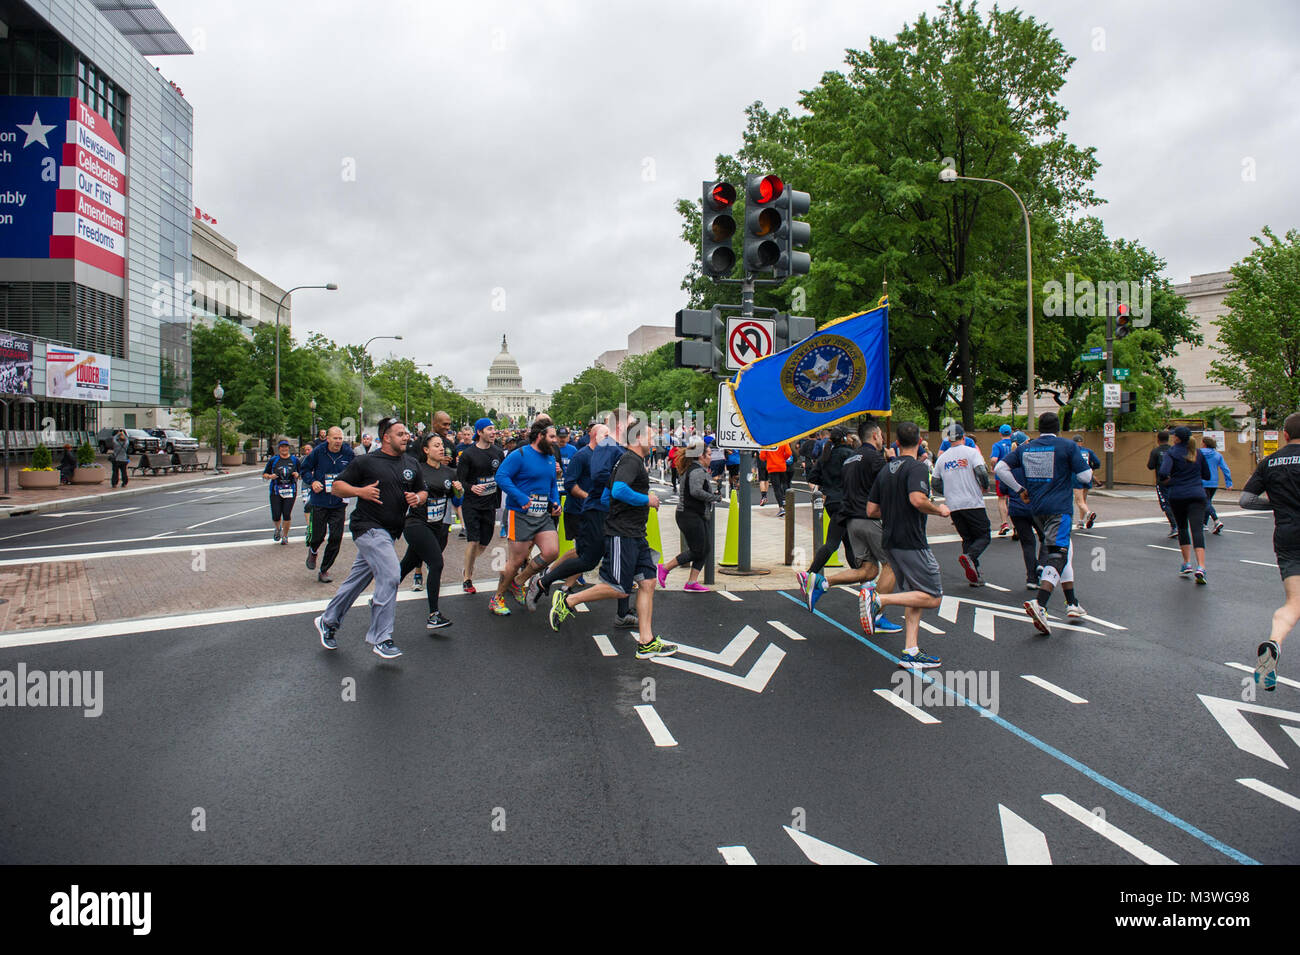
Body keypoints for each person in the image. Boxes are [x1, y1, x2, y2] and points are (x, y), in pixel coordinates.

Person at [549, 419, 678, 659]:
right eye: (650, 436)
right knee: (618, 588)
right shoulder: (630, 461)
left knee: (648, 583)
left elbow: (608, 495)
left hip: (635, 533)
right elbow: (618, 491)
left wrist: (624, 510)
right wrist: (646, 500)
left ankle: (646, 641)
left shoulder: (627, 460)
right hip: (623, 534)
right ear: (638, 439)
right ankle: (568, 601)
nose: (654, 441)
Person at [314, 417, 426, 659]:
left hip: (390, 531)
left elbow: (422, 490)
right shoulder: (366, 462)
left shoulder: (411, 463)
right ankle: (381, 637)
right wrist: (360, 492)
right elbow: (337, 486)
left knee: (357, 580)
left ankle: (328, 620)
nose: (406, 437)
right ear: (386, 437)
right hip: (368, 528)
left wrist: (418, 498)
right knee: (390, 574)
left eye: (406, 433)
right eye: (400, 434)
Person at [993, 411, 1093, 635]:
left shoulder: (1026, 447)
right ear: (1058, 428)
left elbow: (1000, 469)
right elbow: (1086, 477)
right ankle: (1041, 603)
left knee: (1066, 549)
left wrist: (1019, 490)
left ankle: (1072, 602)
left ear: (1039, 428)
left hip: (1036, 507)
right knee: (1058, 554)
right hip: (1060, 508)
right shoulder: (1068, 447)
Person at [861, 421, 949, 668]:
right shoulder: (917, 468)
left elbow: (871, 510)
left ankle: (911, 650)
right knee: (932, 597)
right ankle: (878, 600)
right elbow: (917, 499)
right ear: (920, 442)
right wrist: (938, 510)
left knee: (915, 595)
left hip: (889, 539)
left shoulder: (886, 470)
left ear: (896, 443)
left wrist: (894, 511)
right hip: (911, 540)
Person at [1241, 412, 1300, 691]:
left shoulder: (1270, 462)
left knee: (1293, 603)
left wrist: (1276, 504)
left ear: (1285, 435)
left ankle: (1274, 643)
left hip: (1287, 535)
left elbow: (1246, 499)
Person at [530, 424, 611, 603]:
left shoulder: (606, 456)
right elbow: (570, 484)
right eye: (606, 435)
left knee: (586, 553)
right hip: (578, 510)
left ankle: (561, 583)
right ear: (595, 435)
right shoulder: (581, 455)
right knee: (584, 555)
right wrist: (588, 497)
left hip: (598, 512)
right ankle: (549, 576)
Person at [489, 420, 561, 616]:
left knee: (552, 551)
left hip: (542, 515)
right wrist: (520, 497)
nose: (555, 441)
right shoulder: (519, 455)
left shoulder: (549, 457)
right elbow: (501, 476)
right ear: (540, 436)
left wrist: (555, 502)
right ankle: (497, 598)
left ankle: (519, 581)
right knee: (515, 560)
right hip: (519, 515)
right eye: (552, 437)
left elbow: (552, 483)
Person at [397, 432, 460, 630]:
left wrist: (459, 490)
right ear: (426, 450)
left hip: (438, 526)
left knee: (407, 564)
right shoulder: (417, 470)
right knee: (436, 563)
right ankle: (434, 614)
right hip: (416, 524)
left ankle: (380, 597)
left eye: (442, 445)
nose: (441, 448)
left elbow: (455, 498)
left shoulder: (449, 472)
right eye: (436, 446)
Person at [799, 427, 856, 609]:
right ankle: (809, 575)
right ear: (846, 438)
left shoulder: (826, 456)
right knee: (833, 542)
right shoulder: (849, 454)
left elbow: (813, 476)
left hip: (831, 501)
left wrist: (827, 484)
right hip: (845, 502)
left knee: (846, 540)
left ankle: (860, 576)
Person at [657, 437, 721, 591]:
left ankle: (692, 583)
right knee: (698, 549)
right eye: (709, 454)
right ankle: (665, 568)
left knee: (705, 548)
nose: (711, 457)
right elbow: (695, 491)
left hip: (695, 514)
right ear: (701, 456)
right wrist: (714, 498)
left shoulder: (695, 468)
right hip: (689, 515)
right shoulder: (697, 470)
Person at [932, 426, 992, 586]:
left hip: (954, 504)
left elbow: (935, 482)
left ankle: (975, 575)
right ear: (963, 437)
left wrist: (947, 491)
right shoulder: (971, 452)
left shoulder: (943, 458)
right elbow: (981, 471)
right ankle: (970, 557)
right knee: (984, 535)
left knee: (967, 538)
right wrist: (984, 486)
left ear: (948, 440)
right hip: (972, 501)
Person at [456, 417, 506, 593]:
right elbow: (460, 480)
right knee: (473, 540)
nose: (493, 432)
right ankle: (467, 578)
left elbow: (503, 475)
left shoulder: (498, 453)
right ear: (480, 432)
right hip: (472, 504)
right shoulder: (468, 455)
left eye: (494, 429)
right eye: (489, 429)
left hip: (490, 504)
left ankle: (468, 564)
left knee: (484, 543)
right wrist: (471, 487)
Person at [1158, 425, 1212, 583]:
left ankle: (1187, 563)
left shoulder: (1172, 453)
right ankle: (1201, 566)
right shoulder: (1197, 453)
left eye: (1174, 435)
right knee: (1197, 530)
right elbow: (1207, 475)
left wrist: (1172, 481)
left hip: (1178, 495)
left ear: (1177, 438)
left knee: (1182, 528)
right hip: (1197, 494)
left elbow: (1163, 473)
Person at [301, 426, 355, 582]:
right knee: (318, 536)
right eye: (335, 438)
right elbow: (304, 469)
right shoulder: (318, 452)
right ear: (328, 438)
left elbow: (356, 470)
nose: (338, 442)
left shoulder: (347, 453)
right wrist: (313, 482)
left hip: (339, 501)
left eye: (340, 438)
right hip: (320, 500)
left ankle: (324, 569)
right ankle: (313, 550)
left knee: (336, 537)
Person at [262, 439, 300, 545]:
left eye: (286, 447)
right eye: (282, 447)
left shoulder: (294, 460)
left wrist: (298, 475)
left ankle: (285, 536)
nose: (284, 449)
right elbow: (264, 474)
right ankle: (278, 529)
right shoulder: (273, 460)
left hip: (290, 490)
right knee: (276, 514)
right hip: (276, 490)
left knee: (287, 514)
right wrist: (270, 476)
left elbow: (301, 473)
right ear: (279, 449)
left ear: (289, 448)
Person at [1147, 430, 1179, 538]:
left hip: (1162, 481)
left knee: (1165, 504)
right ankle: (1180, 524)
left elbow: (1150, 466)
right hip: (1175, 480)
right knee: (1175, 502)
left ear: (1158, 439)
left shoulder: (1155, 451)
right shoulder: (1174, 450)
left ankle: (1174, 526)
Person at [1200, 434, 1232, 535]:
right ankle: (1204, 524)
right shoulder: (1217, 455)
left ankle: (1216, 520)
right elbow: (1225, 469)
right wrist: (1228, 482)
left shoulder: (1199, 453)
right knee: (1207, 501)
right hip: (1213, 482)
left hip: (1202, 481)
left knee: (1205, 502)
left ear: (1204, 444)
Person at [990, 424, 1015, 537]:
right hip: (1014, 475)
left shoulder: (997, 445)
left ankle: (1004, 523)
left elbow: (994, 459)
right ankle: (1016, 525)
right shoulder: (1015, 444)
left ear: (1000, 433)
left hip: (1001, 475)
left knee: (1002, 499)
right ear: (1011, 433)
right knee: (1014, 498)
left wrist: (993, 467)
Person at [1072, 435, 1102, 529]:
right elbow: (1097, 462)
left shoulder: (1072, 451)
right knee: (1084, 500)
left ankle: (1089, 513)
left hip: (1076, 477)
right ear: (1082, 442)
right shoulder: (1088, 451)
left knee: (1079, 501)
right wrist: (1091, 468)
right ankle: (1081, 521)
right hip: (1087, 476)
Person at [760, 442, 793, 517]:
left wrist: (768, 458)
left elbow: (762, 456)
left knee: (776, 488)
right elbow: (789, 452)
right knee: (784, 484)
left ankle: (781, 508)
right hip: (782, 466)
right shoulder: (783, 440)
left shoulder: (768, 442)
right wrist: (783, 458)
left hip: (772, 467)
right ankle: (784, 499)